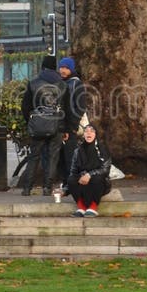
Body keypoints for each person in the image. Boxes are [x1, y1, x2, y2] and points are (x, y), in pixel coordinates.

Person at [19, 55, 72, 197]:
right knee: (53, 157)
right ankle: (47, 188)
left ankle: (27, 188)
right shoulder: (62, 84)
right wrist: (66, 128)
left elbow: (25, 106)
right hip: (57, 125)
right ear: (55, 67)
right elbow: (67, 108)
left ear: (42, 66)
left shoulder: (33, 83)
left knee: (34, 156)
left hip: (38, 125)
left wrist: (30, 121)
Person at [66, 124, 111, 217]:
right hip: (83, 179)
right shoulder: (78, 150)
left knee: (97, 179)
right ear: (83, 134)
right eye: (86, 131)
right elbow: (73, 171)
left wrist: (89, 175)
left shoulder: (102, 149)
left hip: (99, 180)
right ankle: (81, 207)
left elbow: (105, 169)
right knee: (71, 179)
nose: (88, 133)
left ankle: (93, 207)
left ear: (96, 134)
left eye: (92, 131)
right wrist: (64, 190)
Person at [58, 56, 87, 191]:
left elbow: (80, 107)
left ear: (71, 69)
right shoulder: (63, 83)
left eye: (66, 68)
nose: (62, 70)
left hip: (71, 128)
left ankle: (71, 184)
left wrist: (72, 127)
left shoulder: (76, 84)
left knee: (70, 158)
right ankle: (66, 182)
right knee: (63, 158)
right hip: (63, 127)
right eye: (61, 67)